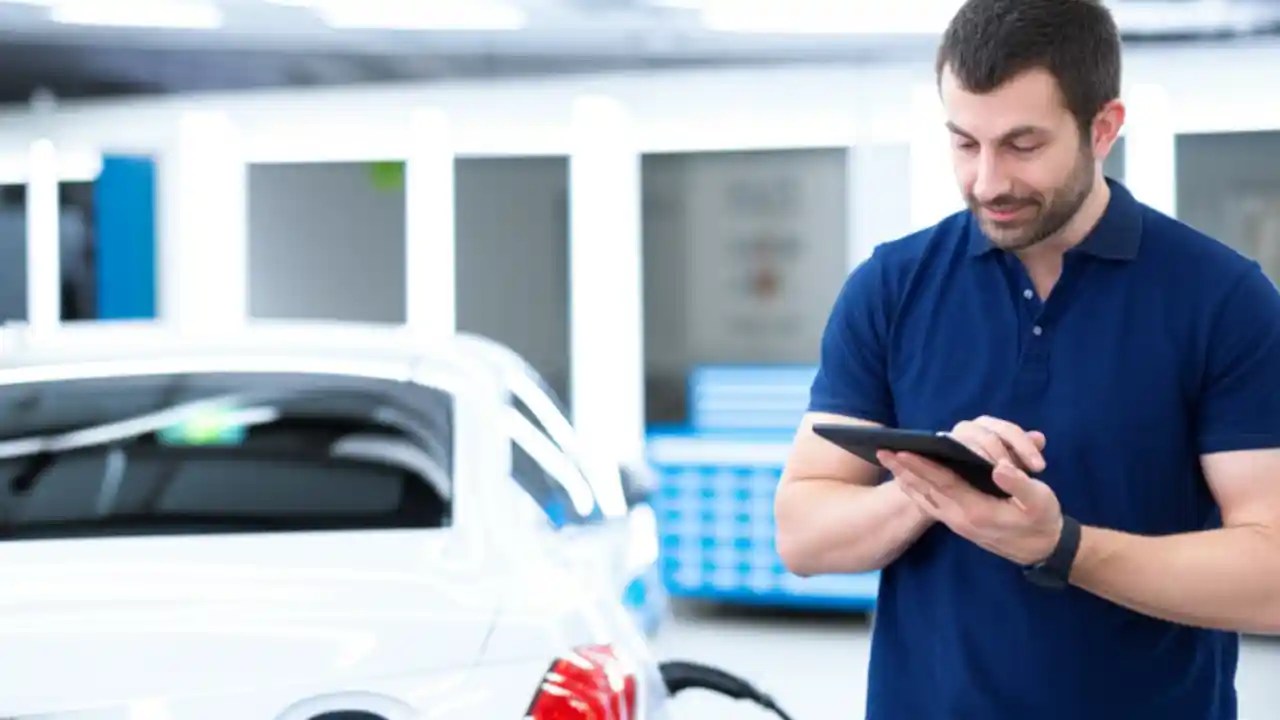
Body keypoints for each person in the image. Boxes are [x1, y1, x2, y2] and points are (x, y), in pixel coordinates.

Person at [773, 0, 1280, 718]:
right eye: (964, 143)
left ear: (1102, 129)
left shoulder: (1224, 300)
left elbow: (1272, 576)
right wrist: (935, 481)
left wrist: (1059, 544)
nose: (986, 182)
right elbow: (802, 533)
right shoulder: (890, 288)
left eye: (1022, 145)